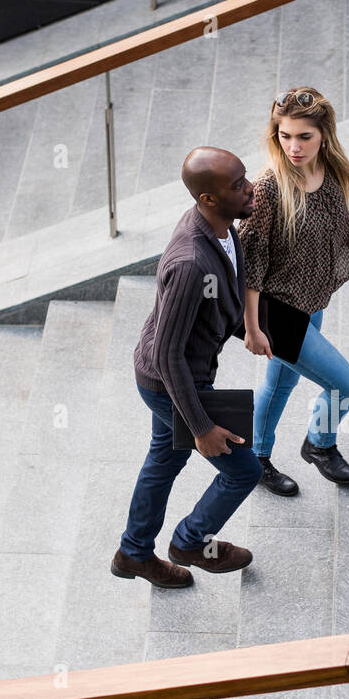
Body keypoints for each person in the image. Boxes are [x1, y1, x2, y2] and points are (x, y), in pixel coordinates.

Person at [237, 86, 349, 496]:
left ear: (324, 135)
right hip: (277, 312)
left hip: (312, 301)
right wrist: (252, 326)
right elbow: (250, 263)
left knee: (280, 385)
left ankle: (257, 460)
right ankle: (319, 444)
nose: (294, 147)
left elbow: (339, 226)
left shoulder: (328, 173)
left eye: (304, 137)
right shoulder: (268, 188)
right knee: (344, 385)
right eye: (285, 136)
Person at [111, 147, 263, 587]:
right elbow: (166, 355)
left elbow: (223, 300)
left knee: (164, 459)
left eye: (244, 177)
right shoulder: (192, 263)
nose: (250, 188)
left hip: (176, 377)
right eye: (238, 185)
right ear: (208, 199)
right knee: (243, 471)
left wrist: (255, 329)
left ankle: (133, 553)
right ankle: (191, 542)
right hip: (169, 384)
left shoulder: (220, 226)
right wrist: (200, 426)